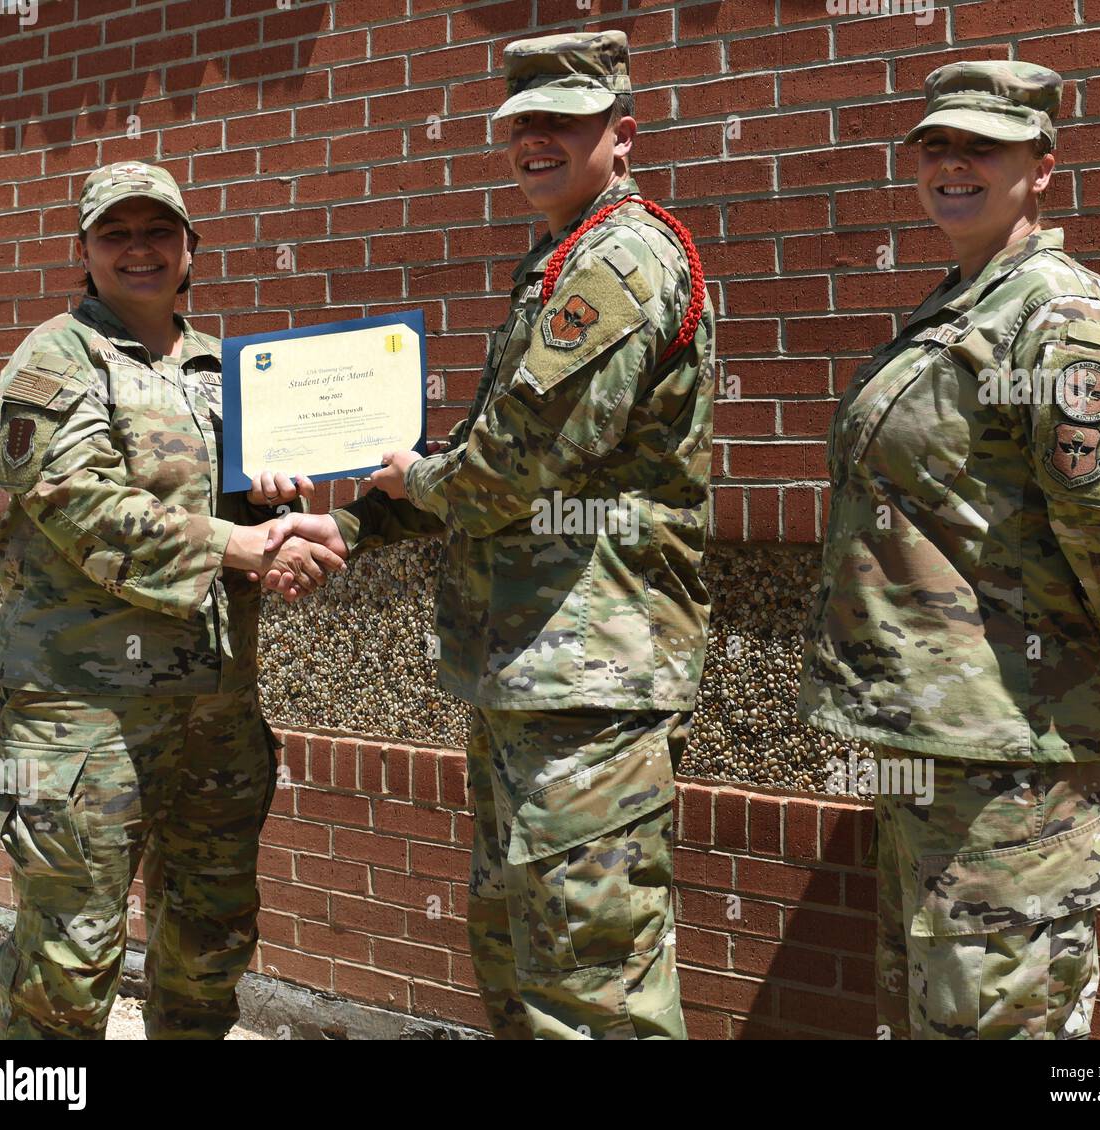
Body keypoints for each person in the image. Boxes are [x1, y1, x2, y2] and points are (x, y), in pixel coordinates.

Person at [264, 31, 715, 1039]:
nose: (535, 139)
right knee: (522, 961)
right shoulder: (559, 260)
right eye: (521, 124)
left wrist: (408, 473)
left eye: (564, 120)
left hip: (586, 686)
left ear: (623, 134)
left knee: (592, 988)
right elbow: (490, 448)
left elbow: (513, 468)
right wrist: (343, 518)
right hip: (533, 677)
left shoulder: (618, 260)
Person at [798, 62, 1100, 1040]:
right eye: (936, 145)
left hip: (1014, 746)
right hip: (938, 740)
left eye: (982, 146)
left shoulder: (1058, 315)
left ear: (1042, 165)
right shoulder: (961, 304)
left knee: (1000, 1016)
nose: (953, 164)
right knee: (944, 1011)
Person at [0, 160, 342, 1039]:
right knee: (69, 951)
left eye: (157, 232)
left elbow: (237, 508)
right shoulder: (54, 360)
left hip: (214, 705)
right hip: (78, 712)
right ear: (85, 252)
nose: (138, 249)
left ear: (190, 250)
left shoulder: (234, 368)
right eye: (116, 233)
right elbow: (83, 505)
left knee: (211, 936)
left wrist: (282, 526)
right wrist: (235, 544)